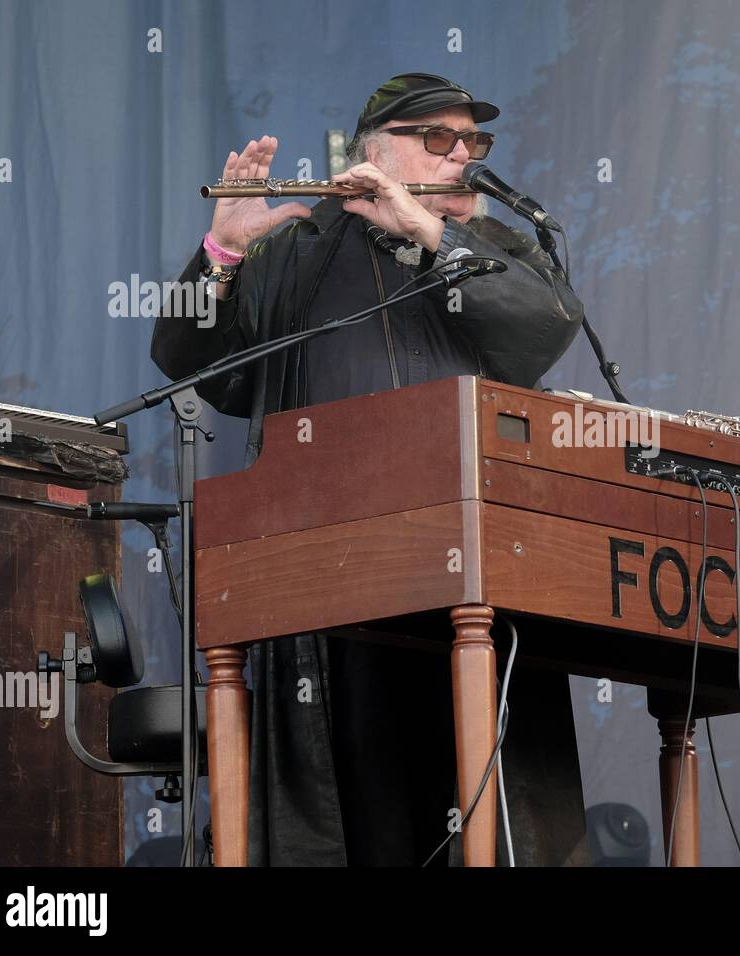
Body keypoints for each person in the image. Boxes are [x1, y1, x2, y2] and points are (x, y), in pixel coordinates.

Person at [151, 73, 589, 865]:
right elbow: (195, 368)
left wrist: (428, 229)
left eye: (474, 143)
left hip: (475, 576)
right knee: (363, 816)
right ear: (375, 152)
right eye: (440, 139)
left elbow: (548, 326)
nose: (464, 156)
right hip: (333, 579)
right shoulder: (299, 247)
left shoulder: (493, 248)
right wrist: (222, 254)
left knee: (488, 803)